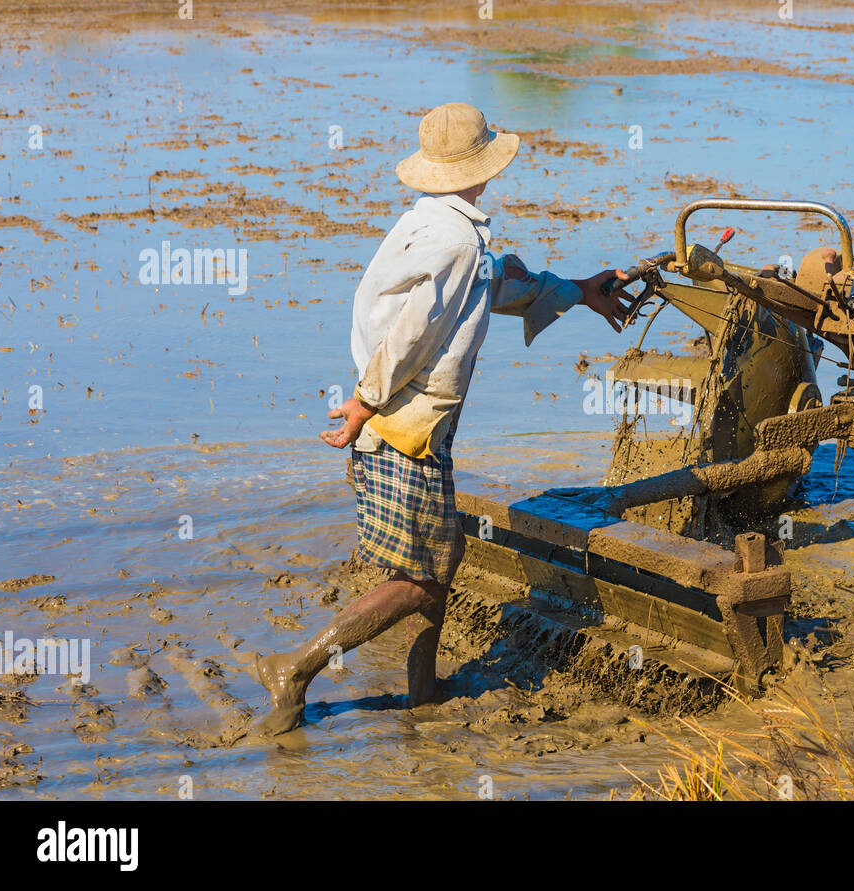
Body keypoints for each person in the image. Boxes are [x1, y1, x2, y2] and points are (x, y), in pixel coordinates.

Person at [251, 102, 628, 735]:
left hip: (403, 421)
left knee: (440, 558)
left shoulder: (436, 225)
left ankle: (422, 691)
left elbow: (495, 286)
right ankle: (295, 668)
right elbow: (413, 333)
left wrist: (578, 290)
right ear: (483, 166)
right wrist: (365, 402)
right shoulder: (456, 240)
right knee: (421, 582)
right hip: (403, 427)